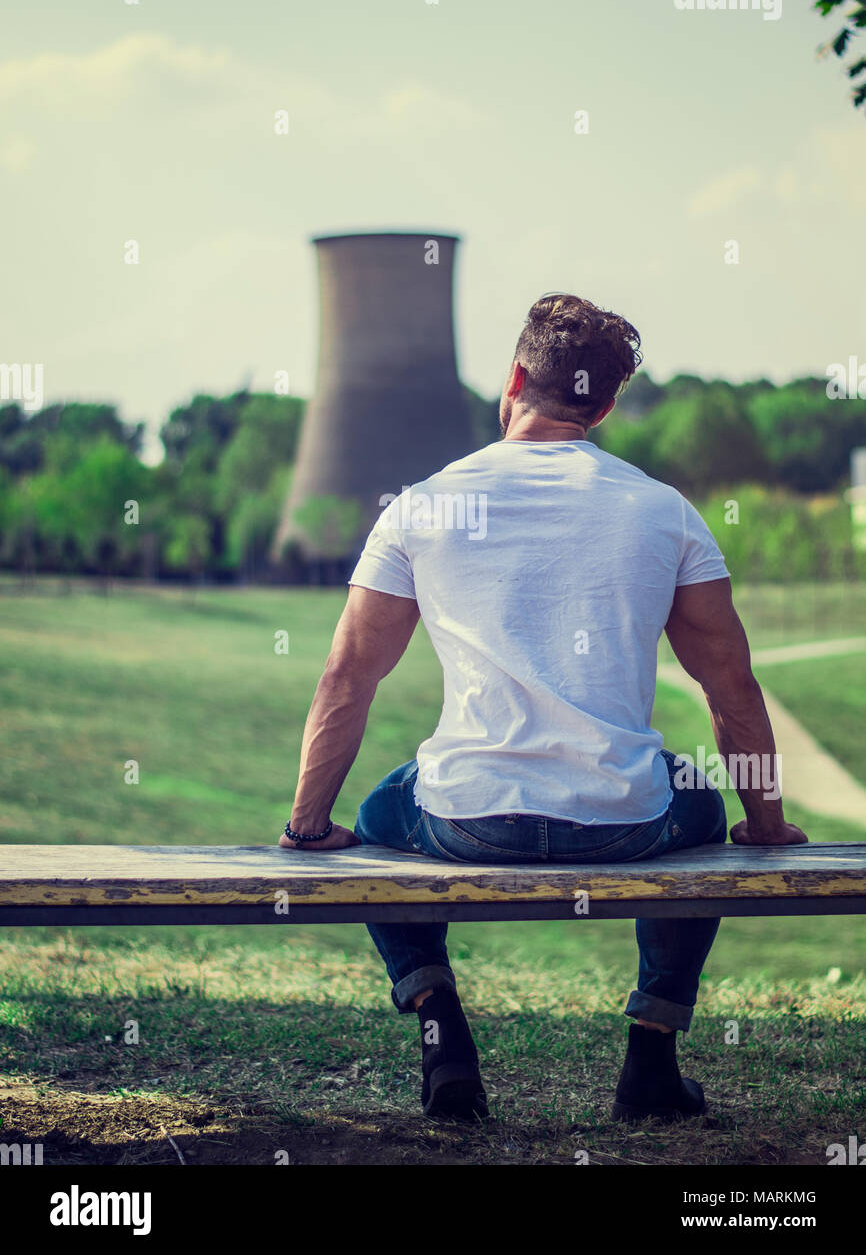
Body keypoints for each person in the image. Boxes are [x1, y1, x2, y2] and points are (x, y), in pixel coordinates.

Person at [279, 293, 807, 1124]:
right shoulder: (664, 511)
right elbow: (730, 686)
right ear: (603, 406)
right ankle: (651, 1058)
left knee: (379, 820)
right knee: (702, 806)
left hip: (465, 817)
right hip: (625, 819)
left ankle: (441, 1031)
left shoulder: (422, 505)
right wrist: (767, 823)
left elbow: (348, 675)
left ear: (516, 377)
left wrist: (310, 825)